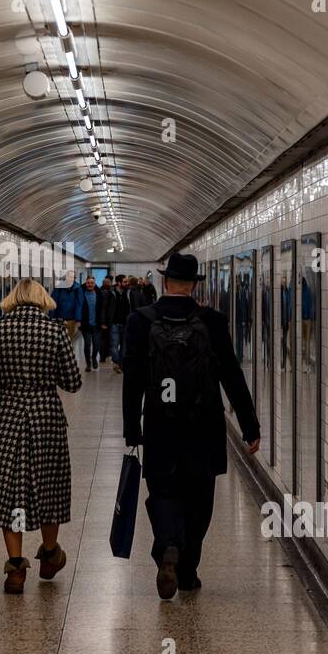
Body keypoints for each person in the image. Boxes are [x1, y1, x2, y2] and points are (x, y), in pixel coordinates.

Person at [122, 253, 260, 599]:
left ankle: (168, 544)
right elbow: (231, 374)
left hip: (159, 426)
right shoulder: (212, 321)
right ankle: (187, 572)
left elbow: (133, 380)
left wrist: (131, 429)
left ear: (165, 282)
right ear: (193, 284)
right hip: (203, 427)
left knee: (165, 491)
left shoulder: (140, 320)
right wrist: (250, 425)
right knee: (199, 500)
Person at [0, 279, 82, 593]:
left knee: (11, 489)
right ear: (42, 299)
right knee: (49, 485)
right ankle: (49, 552)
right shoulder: (55, 330)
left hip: (8, 415)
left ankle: (16, 568)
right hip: (46, 417)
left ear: (12, 300)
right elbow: (72, 382)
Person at [74, 276, 100, 371]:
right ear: (86, 283)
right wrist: (78, 320)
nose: (90, 284)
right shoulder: (81, 293)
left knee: (97, 344)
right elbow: (78, 307)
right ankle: (88, 364)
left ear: (95, 284)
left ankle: (94, 358)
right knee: (87, 344)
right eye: (88, 283)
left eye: (92, 283)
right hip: (85, 324)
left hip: (96, 324)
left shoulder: (98, 293)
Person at [109, 274, 132, 373]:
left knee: (124, 346)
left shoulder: (129, 293)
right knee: (114, 346)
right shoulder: (111, 293)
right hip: (114, 323)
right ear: (119, 283)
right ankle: (116, 361)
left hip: (126, 324)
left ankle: (120, 364)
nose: (127, 283)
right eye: (125, 282)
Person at [51, 269, 81, 342]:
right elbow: (53, 302)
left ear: (74, 278)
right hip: (59, 319)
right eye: (69, 277)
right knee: (58, 339)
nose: (70, 279)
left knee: (69, 340)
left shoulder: (77, 288)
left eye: (72, 277)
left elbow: (79, 304)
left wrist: (78, 319)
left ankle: (69, 352)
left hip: (71, 319)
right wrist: (52, 317)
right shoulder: (59, 288)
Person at [97, 276, 116, 364]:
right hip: (106, 320)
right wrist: (103, 322)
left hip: (107, 320)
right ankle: (103, 356)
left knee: (105, 338)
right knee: (104, 339)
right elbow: (103, 308)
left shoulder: (102, 292)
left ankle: (105, 355)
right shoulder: (106, 293)